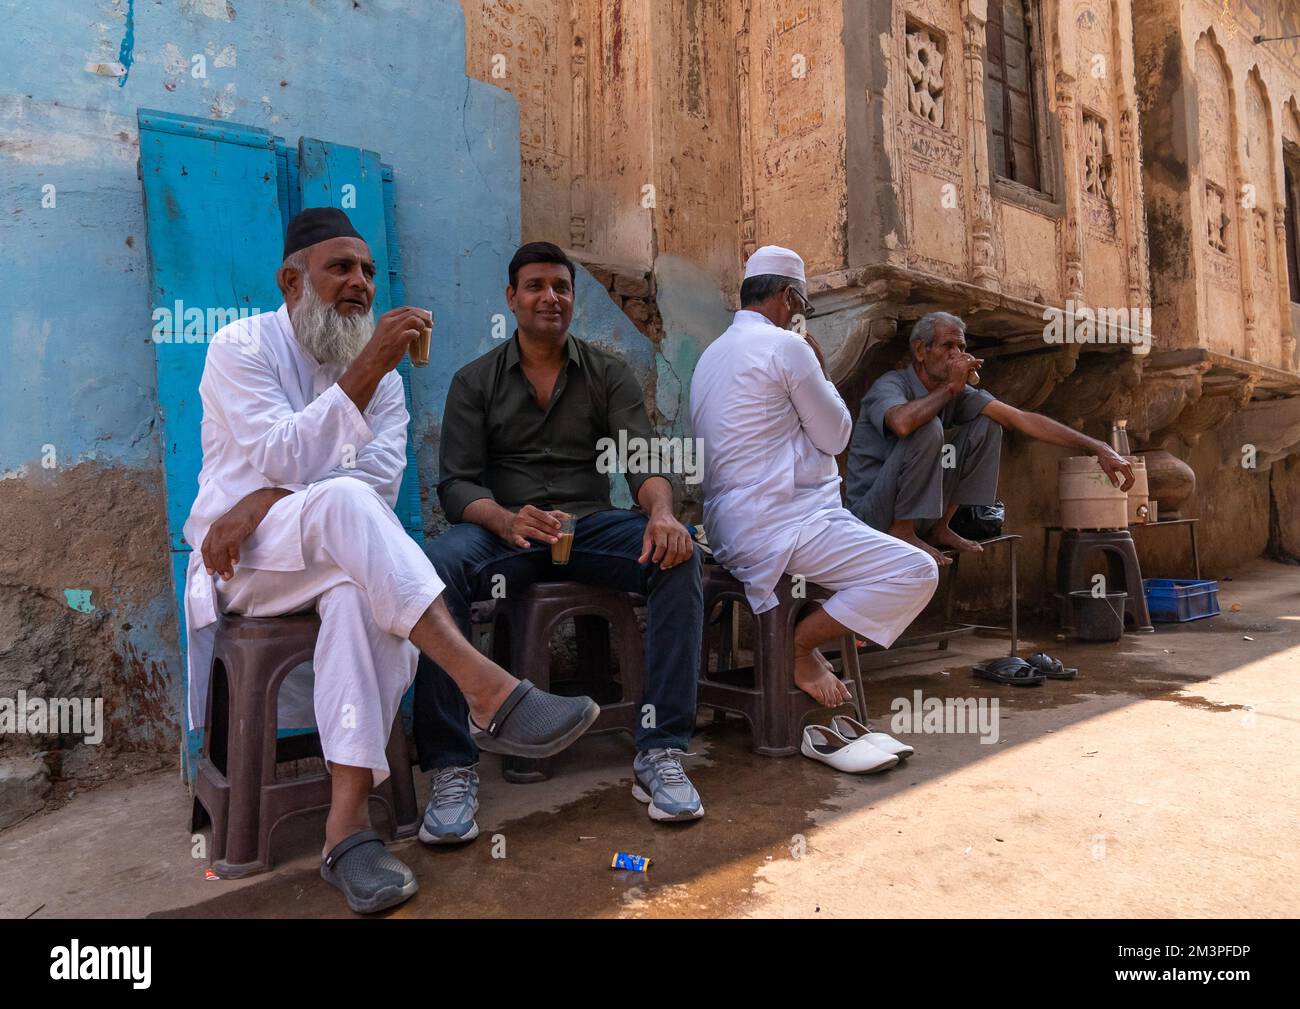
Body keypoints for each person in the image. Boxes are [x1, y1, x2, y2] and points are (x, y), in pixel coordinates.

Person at [184, 209, 597, 913]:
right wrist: (366, 370)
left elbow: (375, 484)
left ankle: (346, 833)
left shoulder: (388, 379)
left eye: (369, 271)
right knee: (346, 512)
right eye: (341, 267)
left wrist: (265, 492)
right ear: (292, 279)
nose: (360, 283)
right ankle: (487, 689)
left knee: (358, 591)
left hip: (334, 551)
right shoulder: (239, 347)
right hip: (248, 561)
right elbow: (290, 454)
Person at [414, 241, 705, 837]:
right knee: (432, 570)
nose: (550, 297)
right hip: (506, 534)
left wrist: (661, 513)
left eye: (561, 287)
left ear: (572, 299)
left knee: (678, 559)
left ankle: (661, 750)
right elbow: (456, 485)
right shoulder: (475, 381)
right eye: (536, 286)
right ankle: (451, 766)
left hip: (587, 527)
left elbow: (642, 460)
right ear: (512, 298)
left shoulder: (607, 373)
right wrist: (503, 518)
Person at [689, 245, 940, 709]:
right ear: (787, 297)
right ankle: (796, 647)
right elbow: (837, 435)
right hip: (781, 526)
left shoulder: (711, 355)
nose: (799, 317)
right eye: (803, 306)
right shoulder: (788, 347)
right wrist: (822, 373)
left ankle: (796, 641)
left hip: (725, 529)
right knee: (915, 571)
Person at [846, 311, 1134, 565]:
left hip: (921, 511)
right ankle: (902, 530)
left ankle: (941, 527)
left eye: (961, 347)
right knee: (928, 426)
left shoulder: (956, 392)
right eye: (948, 346)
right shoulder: (892, 384)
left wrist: (1097, 446)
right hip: (871, 515)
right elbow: (902, 423)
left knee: (988, 424)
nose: (957, 354)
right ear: (921, 351)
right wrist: (949, 389)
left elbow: (1019, 419)